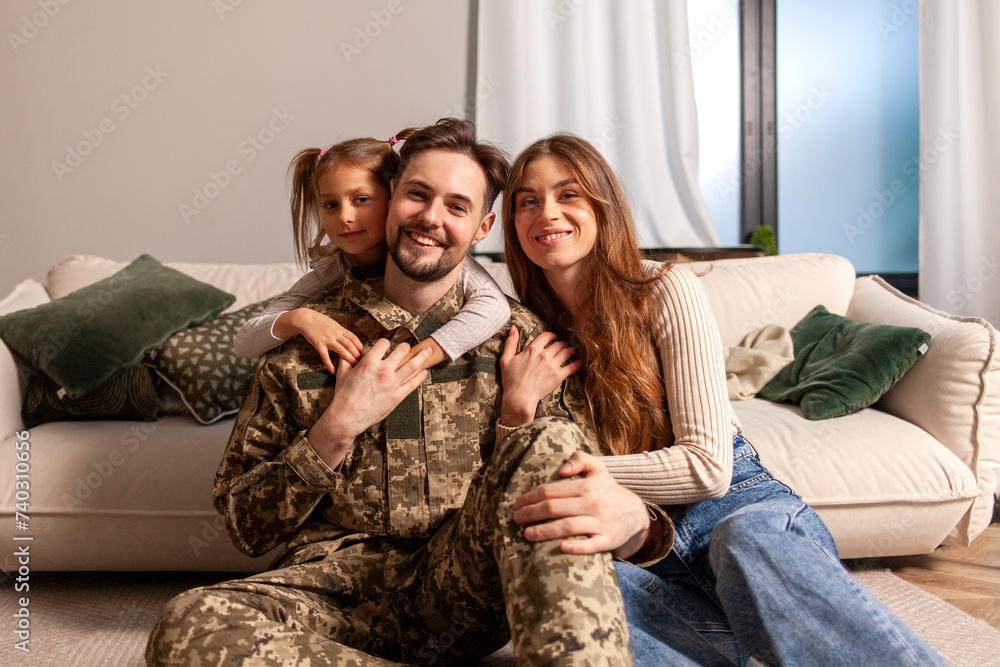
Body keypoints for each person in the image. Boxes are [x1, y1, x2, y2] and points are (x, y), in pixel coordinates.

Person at [145, 119, 672, 666]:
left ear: (484, 226)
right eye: (417, 194)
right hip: (330, 594)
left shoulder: (520, 341)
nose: (430, 218)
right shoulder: (302, 343)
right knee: (189, 626)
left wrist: (632, 517)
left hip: (466, 588)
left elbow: (600, 497)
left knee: (549, 437)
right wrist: (334, 429)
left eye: (457, 206)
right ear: (390, 197)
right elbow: (246, 528)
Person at [497, 133, 946, 666]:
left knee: (747, 536)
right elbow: (518, 475)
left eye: (568, 194)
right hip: (653, 573)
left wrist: (584, 472)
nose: (546, 212)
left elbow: (710, 468)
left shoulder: (664, 290)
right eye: (527, 200)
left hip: (738, 519)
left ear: (602, 207)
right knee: (553, 568)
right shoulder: (521, 329)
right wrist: (515, 413)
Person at [233, 129, 510, 375]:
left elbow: (494, 306)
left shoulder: (439, 254)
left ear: (390, 198)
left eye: (361, 200)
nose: (345, 217)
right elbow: (244, 341)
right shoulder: (335, 267)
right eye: (330, 205)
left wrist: (423, 355)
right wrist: (300, 318)